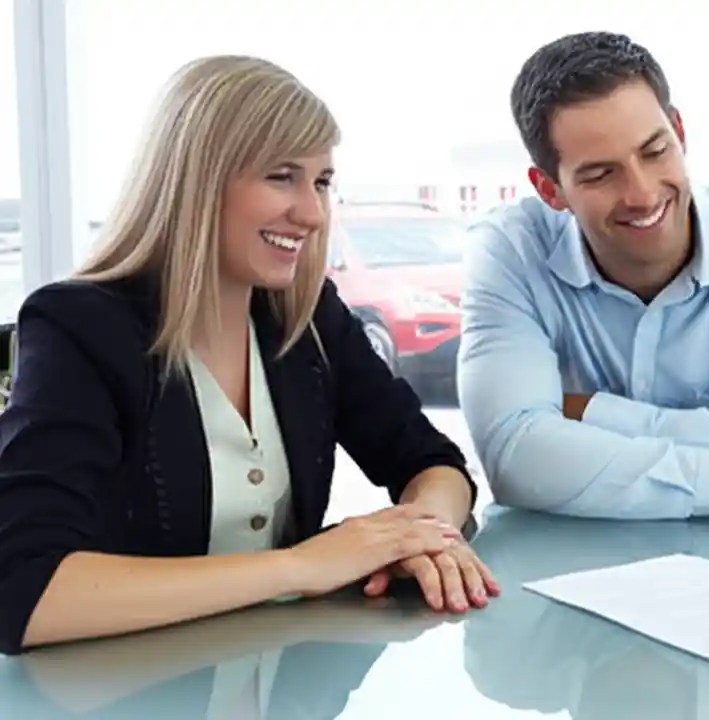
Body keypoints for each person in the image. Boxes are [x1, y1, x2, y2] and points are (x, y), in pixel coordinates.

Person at [0, 56, 499, 656]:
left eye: (321, 182)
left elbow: (433, 461)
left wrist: (423, 536)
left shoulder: (307, 317)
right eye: (281, 176)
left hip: (279, 682)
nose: (313, 214)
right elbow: (25, 590)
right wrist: (301, 567)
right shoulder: (79, 328)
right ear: (197, 181)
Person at [458, 32, 709, 522]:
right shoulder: (509, 251)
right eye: (600, 175)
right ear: (550, 189)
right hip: (561, 568)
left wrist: (591, 414)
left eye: (655, 151)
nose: (643, 193)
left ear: (679, 132)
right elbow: (517, 458)